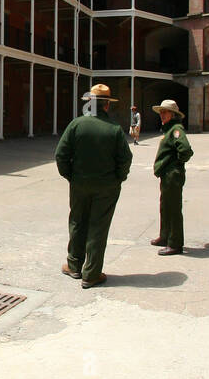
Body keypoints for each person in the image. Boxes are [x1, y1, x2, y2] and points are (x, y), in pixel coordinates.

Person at [55, 84, 132, 288]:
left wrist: (71, 176)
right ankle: (92, 273)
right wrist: (118, 178)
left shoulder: (76, 125)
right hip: (106, 186)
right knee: (98, 226)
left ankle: (74, 265)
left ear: (90, 103)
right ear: (107, 105)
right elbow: (125, 159)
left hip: (80, 184)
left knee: (77, 222)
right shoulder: (114, 129)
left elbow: (61, 155)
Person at [148, 98, 192, 255]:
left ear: (173, 114)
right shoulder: (168, 129)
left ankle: (175, 243)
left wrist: (175, 164)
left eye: (165, 112)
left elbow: (186, 150)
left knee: (173, 208)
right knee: (165, 207)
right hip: (166, 175)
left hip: (172, 175)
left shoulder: (176, 129)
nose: (162, 114)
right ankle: (165, 236)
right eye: (161, 112)